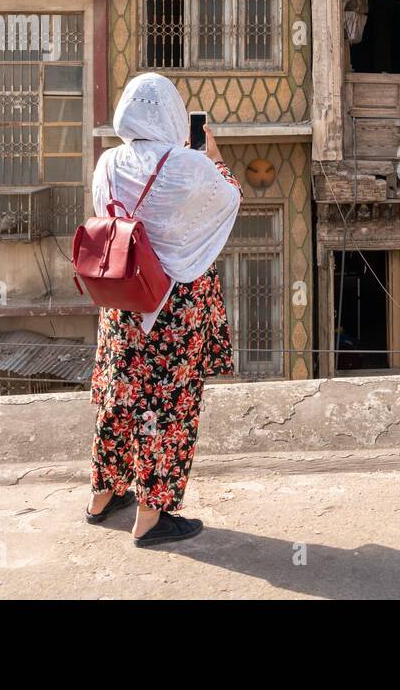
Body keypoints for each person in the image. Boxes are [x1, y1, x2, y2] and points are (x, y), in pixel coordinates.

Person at [84, 73, 242, 547]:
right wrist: (212, 156)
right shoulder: (189, 166)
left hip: (124, 297)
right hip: (175, 304)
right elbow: (229, 199)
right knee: (168, 405)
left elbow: (112, 218)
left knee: (120, 396)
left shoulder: (109, 161)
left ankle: (103, 495)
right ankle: (151, 516)